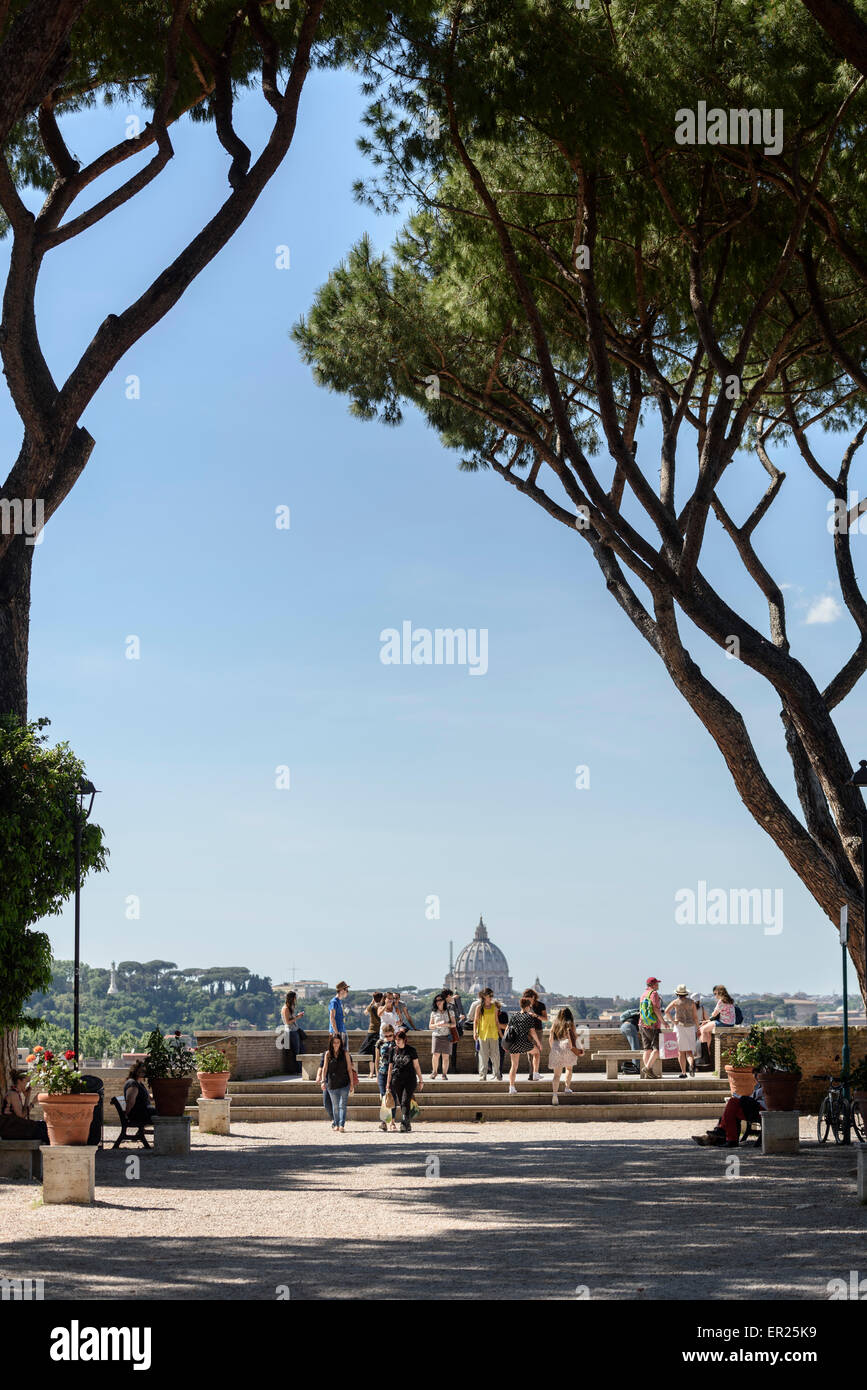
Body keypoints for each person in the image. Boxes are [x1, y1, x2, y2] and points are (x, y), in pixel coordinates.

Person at [692, 1078, 766, 1147]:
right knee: (731, 1109)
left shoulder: (769, 1085)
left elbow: (755, 1097)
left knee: (732, 1104)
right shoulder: (761, 1085)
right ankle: (720, 1137)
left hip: (761, 1110)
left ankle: (718, 1135)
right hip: (755, 1108)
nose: (756, 1078)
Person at [503, 992, 543, 1095]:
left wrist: (505, 1043)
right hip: (523, 1042)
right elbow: (533, 1032)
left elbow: (507, 1029)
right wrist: (538, 1042)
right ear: (528, 1006)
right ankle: (535, 1073)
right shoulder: (529, 1017)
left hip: (513, 1044)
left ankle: (511, 1087)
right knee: (537, 1052)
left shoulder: (514, 1015)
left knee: (514, 1066)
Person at [385, 1028, 424, 1132]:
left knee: (405, 1100)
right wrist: (388, 1083)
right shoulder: (392, 1050)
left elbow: (416, 1065)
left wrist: (421, 1080)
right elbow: (390, 1067)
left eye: (399, 1039)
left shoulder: (411, 1050)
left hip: (410, 1079)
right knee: (402, 1102)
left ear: (404, 1040)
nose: (397, 1041)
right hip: (396, 1079)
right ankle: (407, 1123)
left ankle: (403, 1123)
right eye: (396, 1039)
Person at [319, 1033, 355, 1133]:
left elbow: (349, 1069)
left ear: (341, 1043)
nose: (336, 1044)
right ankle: (336, 1123)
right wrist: (322, 1081)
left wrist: (352, 1083)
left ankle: (341, 1124)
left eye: (338, 1042)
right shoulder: (327, 1054)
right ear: (331, 1043)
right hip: (332, 1084)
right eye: (334, 1042)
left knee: (342, 1105)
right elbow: (324, 1068)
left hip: (344, 1083)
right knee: (335, 1106)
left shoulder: (345, 1053)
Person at [0, 1069, 49, 1142]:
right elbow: (22, 1116)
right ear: (19, 1081)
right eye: (27, 1082)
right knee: (43, 1129)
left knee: (43, 1126)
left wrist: (27, 1097)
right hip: (10, 1129)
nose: (28, 1085)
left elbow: (23, 1114)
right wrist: (33, 1103)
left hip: (15, 1127)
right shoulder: (13, 1094)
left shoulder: (16, 1093)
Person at [548, 1008, 583, 1104]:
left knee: (556, 1075)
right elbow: (574, 1037)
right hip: (567, 1048)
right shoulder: (570, 1024)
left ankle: (555, 1094)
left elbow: (550, 1038)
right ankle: (567, 1088)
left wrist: (553, 1049)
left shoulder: (555, 1024)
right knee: (569, 1069)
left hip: (556, 1048)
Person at [664, 984, 699, 1078]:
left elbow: (666, 1011)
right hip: (690, 1027)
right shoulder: (692, 1002)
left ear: (677, 993)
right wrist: (698, 1028)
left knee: (680, 1052)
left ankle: (683, 1072)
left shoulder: (675, 1002)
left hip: (679, 1027)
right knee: (689, 1051)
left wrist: (672, 1021)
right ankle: (691, 1064)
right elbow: (695, 1017)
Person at [698, 985, 737, 1066]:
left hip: (723, 1023)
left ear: (719, 993)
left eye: (715, 994)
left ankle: (705, 1054)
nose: (715, 996)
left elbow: (714, 1014)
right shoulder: (731, 1001)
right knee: (706, 1029)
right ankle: (706, 1050)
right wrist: (708, 1020)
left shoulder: (721, 1001)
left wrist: (710, 1018)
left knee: (703, 1029)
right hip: (730, 1023)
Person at [638, 975, 665, 1078]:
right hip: (653, 1025)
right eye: (657, 983)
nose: (658, 985)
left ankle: (648, 1074)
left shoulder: (643, 994)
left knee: (647, 1049)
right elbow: (656, 1009)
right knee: (657, 1049)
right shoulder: (654, 994)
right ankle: (647, 1068)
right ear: (653, 985)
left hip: (642, 1024)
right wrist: (663, 1021)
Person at [474, 988, 503, 1082]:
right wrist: (475, 1032)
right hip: (482, 1034)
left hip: (493, 1033)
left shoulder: (494, 1007)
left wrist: (501, 1034)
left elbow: (497, 1022)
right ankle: (483, 1075)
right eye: (489, 996)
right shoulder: (479, 1008)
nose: (491, 998)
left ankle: (497, 1074)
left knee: (495, 1055)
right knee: (483, 1055)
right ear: (484, 996)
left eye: (492, 996)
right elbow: (476, 1021)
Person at [375, 1024, 398, 1132]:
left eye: (390, 1035)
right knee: (384, 1097)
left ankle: (392, 1122)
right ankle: (384, 1121)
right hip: (382, 1072)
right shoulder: (379, 1043)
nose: (388, 1037)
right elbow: (377, 1059)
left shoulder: (396, 1043)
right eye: (386, 1036)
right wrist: (376, 1074)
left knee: (392, 1096)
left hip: (393, 1073)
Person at [123, 1061, 155, 1128]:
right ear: (136, 1071)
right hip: (139, 1115)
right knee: (163, 1114)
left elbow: (148, 1097)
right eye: (142, 1070)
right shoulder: (133, 1083)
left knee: (163, 1111)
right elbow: (130, 1101)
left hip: (144, 1112)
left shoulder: (138, 1083)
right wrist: (126, 1115)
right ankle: (164, 1135)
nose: (144, 1072)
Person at [359, 991, 384, 1078]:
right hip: (380, 1032)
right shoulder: (383, 1007)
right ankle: (377, 1072)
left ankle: (371, 1073)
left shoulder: (372, 1007)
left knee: (368, 1052)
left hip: (372, 1031)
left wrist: (371, 1002)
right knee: (377, 1053)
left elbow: (365, 1012)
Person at [429, 992, 453, 1079]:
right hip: (437, 1035)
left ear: (444, 1001)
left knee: (446, 1056)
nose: (438, 1002)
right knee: (435, 1055)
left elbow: (454, 1024)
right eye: (436, 1000)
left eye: (440, 1000)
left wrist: (446, 1024)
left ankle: (444, 1074)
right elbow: (430, 1026)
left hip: (447, 1036)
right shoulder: (434, 1013)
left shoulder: (450, 1011)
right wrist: (437, 1024)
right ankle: (434, 1072)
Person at [280, 991, 305, 1074]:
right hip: (291, 1031)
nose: (296, 999)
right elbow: (287, 1022)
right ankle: (298, 1070)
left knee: (301, 1050)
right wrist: (298, 1017)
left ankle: (300, 1069)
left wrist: (297, 1016)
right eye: (295, 998)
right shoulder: (285, 1008)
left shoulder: (291, 1007)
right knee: (296, 1051)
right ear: (292, 998)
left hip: (295, 1030)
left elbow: (292, 1019)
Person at [443, 989, 465, 1075]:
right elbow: (453, 1019)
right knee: (451, 1050)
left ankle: (447, 1068)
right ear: (449, 996)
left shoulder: (443, 1004)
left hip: (447, 1030)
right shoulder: (450, 1005)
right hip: (450, 1030)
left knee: (447, 1051)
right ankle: (452, 1068)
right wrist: (460, 1019)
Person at [619, 1004, 642, 1074]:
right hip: (630, 1026)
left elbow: (622, 1017)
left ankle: (635, 1066)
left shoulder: (635, 1012)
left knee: (634, 1046)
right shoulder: (644, 1013)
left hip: (623, 1026)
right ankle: (636, 1067)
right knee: (635, 1047)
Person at [329, 981, 349, 1046]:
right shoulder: (334, 1002)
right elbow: (332, 1018)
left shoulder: (339, 1001)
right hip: (337, 1032)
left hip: (342, 1030)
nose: (347, 991)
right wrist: (336, 1033)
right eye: (346, 989)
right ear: (341, 990)